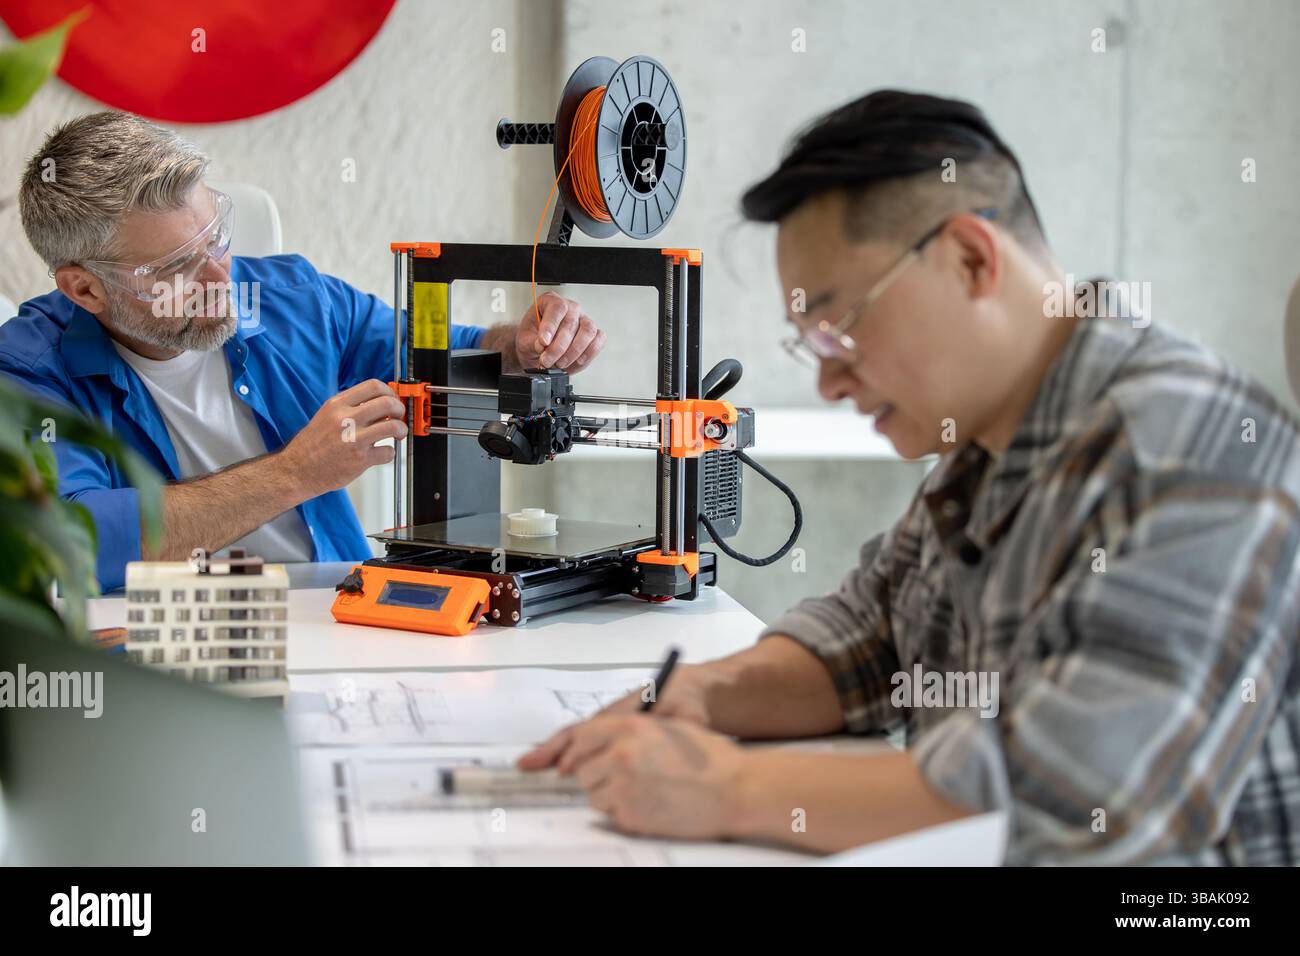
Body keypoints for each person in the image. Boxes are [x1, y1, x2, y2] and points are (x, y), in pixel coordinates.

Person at [520, 90, 1300, 865]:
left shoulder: (1191, 449)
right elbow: (868, 637)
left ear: (971, 259)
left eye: (840, 328)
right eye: (811, 345)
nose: (830, 384)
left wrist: (724, 789)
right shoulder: (989, 435)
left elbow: (1075, 800)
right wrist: (695, 697)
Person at [0, 112, 606, 589]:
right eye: (177, 267)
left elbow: (456, 355)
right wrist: (295, 473)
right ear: (85, 289)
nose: (220, 278)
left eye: (216, 237)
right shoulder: (30, 372)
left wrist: (521, 348)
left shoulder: (296, 299)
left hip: (338, 611)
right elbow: (75, 540)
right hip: (164, 650)